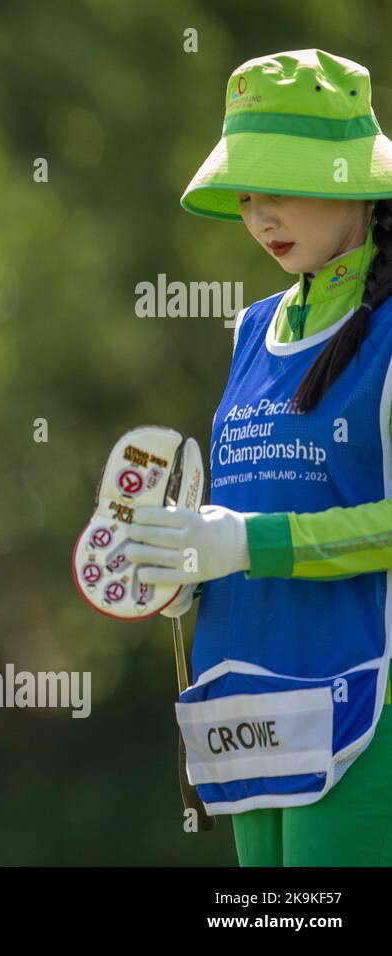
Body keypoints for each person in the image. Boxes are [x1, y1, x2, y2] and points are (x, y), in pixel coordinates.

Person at [124, 49, 392, 865]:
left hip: (363, 704)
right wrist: (186, 564)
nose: (260, 216)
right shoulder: (251, 328)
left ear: (352, 180)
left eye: (280, 186)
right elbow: (247, 497)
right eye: (246, 194)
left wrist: (249, 543)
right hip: (244, 703)